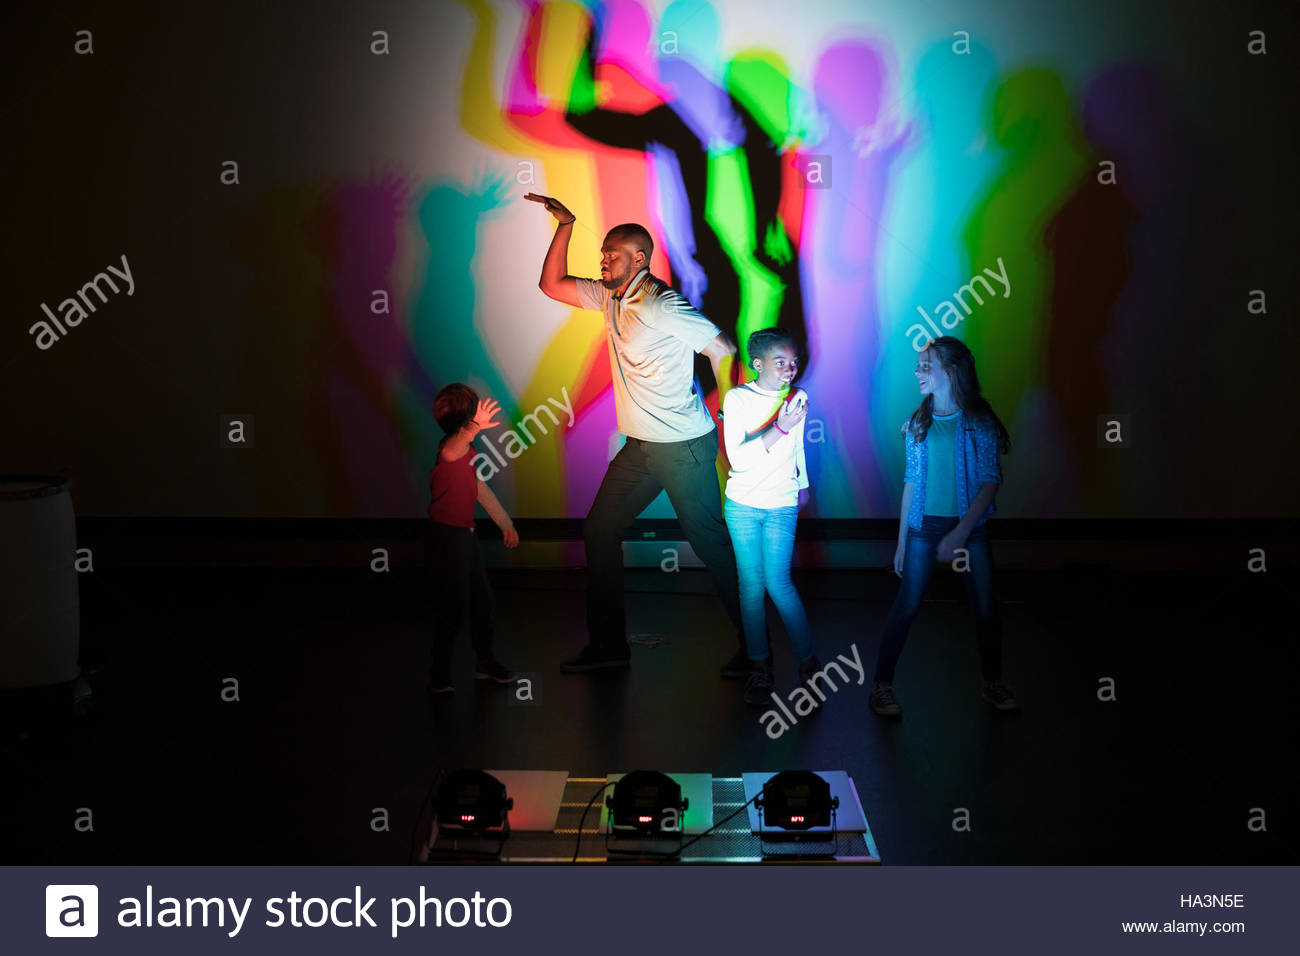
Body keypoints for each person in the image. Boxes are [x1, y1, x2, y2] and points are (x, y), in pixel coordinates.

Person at [525, 191, 754, 675]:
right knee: (599, 530)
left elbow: (725, 349)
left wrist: (730, 418)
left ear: (640, 259)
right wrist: (565, 224)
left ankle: (757, 649)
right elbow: (551, 285)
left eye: (612, 255)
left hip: (684, 450)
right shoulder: (610, 294)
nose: (603, 261)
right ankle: (609, 646)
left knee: (709, 543)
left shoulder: (660, 303)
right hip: (641, 450)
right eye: (603, 253)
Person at [870, 336, 1020, 718]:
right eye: (919, 365)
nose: (918, 372)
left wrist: (961, 532)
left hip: (970, 529)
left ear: (950, 371)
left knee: (986, 608)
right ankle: (881, 688)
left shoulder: (979, 421)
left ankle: (993, 683)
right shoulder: (917, 423)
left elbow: (990, 479)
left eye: (926, 365)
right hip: (923, 528)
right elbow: (910, 483)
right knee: (906, 606)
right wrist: (902, 543)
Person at [721, 328, 821, 706]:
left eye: (793, 362)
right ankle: (760, 667)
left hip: (780, 503)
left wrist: (803, 485)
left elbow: (797, 448)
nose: (790, 369)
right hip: (743, 504)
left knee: (779, 584)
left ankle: (808, 663)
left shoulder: (799, 397)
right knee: (750, 586)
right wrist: (781, 426)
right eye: (781, 362)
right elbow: (740, 460)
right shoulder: (738, 399)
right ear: (757, 364)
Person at [425, 383, 519, 694]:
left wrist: (505, 523)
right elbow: (457, 444)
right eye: (471, 417)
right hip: (448, 538)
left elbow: (480, 490)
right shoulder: (449, 452)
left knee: (482, 601)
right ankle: (439, 673)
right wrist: (475, 427)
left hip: (466, 537)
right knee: (454, 606)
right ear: (464, 422)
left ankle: (485, 661)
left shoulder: (467, 453)